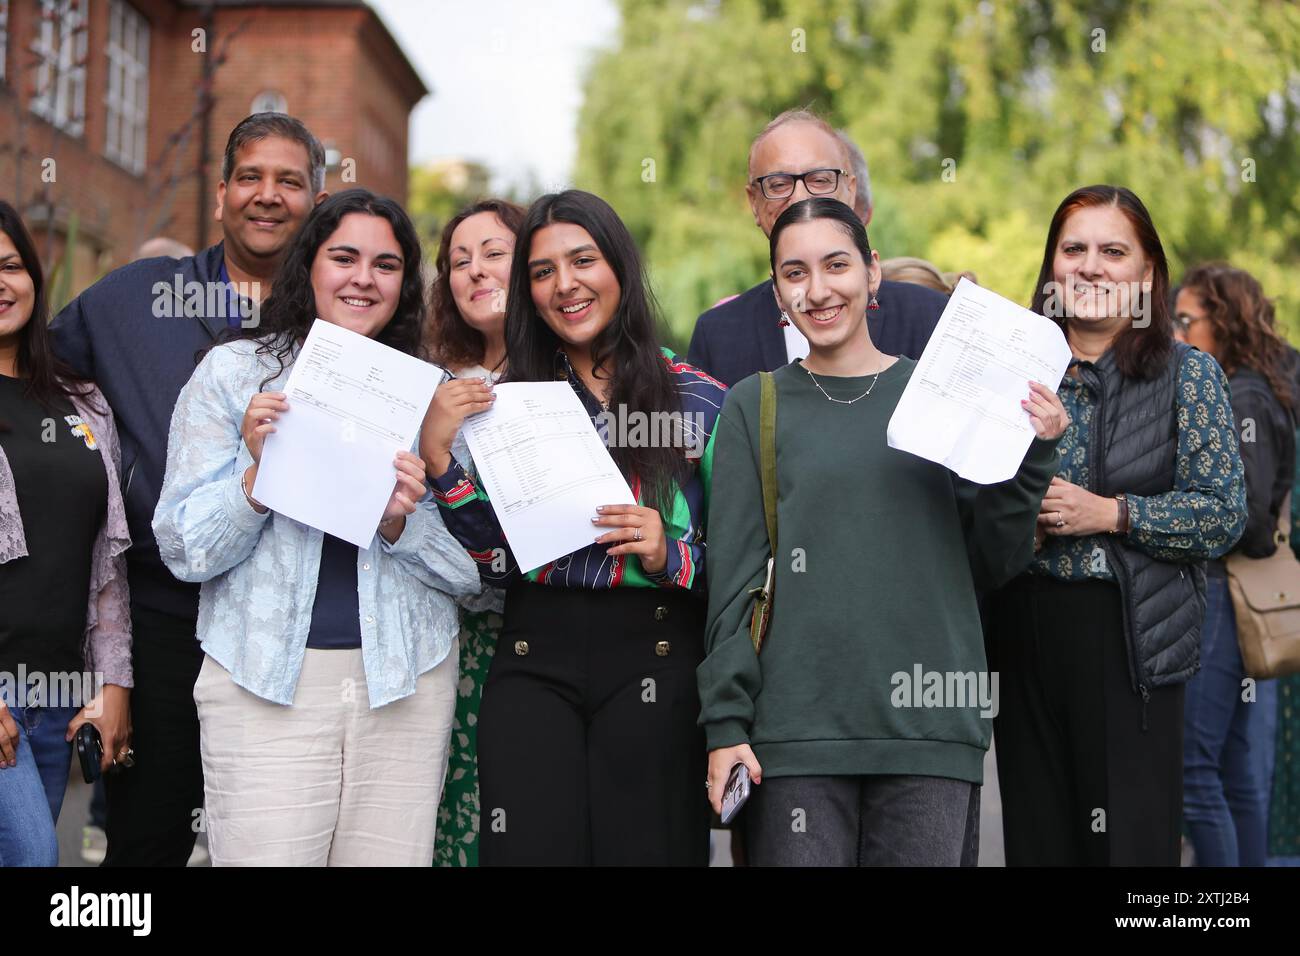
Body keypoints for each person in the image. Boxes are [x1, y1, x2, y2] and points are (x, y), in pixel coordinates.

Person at [698, 197, 1066, 866]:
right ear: (777, 291)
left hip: (928, 730)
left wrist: (1033, 456)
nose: (818, 289)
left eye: (836, 265)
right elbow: (733, 581)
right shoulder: (755, 404)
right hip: (796, 735)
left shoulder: (943, 393)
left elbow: (993, 559)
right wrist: (725, 724)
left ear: (872, 273)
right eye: (794, 273)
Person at [153, 188, 480, 866]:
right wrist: (255, 483)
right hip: (263, 680)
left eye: (386, 265)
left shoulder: (430, 391)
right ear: (308, 267)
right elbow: (182, 548)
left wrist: (402, 525)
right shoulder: (235, 374)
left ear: (405, 284)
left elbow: (479, 576)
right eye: (344, 257)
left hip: (406, 683)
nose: (363, 277)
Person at [51, 112, 327, 866]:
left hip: (288, 627)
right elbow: (31, 372)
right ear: (220, 195)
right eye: (250, 178)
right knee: (147, 838)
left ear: (317, 199)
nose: (267, 197)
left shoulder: (340, 320)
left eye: (290, 182)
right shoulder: (133, 299)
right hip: (164, 617)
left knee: (272, 841)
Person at [422, 189, 726, 865]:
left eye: (583, 260)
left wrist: (669, 552)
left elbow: (743, 575)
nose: (566, 285)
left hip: (657, 659)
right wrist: (442, 461)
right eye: (542, 271)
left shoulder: (701, 400)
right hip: (534, 657)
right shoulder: (508, 403)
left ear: (619, 265)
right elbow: (495, 564)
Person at [984, 185, 1248, 866]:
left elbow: (1224, 513)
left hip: (1129, 640)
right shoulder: (1013, 374)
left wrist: (1113, 513)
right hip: (1022, 633)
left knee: (1125, 851)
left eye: (1113, 251)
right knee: (1039, 845)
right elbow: (968, 505)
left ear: (1147, 274)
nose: (1091, 266)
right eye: (1074, 249)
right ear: (1051, 267)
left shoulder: (1188, 375)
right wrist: (1021, 527)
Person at [0, 202, 132, 866]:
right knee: (33, 857)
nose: (0, 284)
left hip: (55, 695)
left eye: (10, 265)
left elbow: (107, 565)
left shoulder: (82, 400)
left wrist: (113, 687)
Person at [687, 109, 947, 386]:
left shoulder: (931, 320)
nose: (800, 198)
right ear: (754, 203)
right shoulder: (717, 336)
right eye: (778, 184)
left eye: (820, 180)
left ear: (850, 190)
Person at [1177, 262, 1293, 866]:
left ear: (1223, 319)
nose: (1178, 331)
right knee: (1235, 769)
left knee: (1195, 771)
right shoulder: (1260, 384)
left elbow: (1246, 518)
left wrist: (1183, 516)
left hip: (1226, 592)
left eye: (1187, 319)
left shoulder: (1242, 393)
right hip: (1238, 598)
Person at [426, 198, 525, 867]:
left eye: (494, 253)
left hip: (545, 638)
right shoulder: (431, 384)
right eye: (459, 261)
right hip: (448, 646)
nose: (475, 271)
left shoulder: (578, 381)